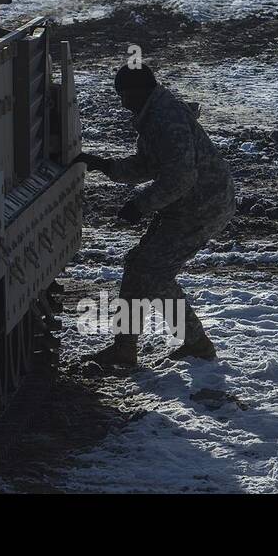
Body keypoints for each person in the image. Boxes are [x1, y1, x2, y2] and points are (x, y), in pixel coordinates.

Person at [74, 63, 236, 366]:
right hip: (189, 206)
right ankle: (129, 347)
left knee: (153, 272)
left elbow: (181, 176)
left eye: (123, 95)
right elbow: (148, 165)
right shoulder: (154, 115)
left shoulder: (164, 119)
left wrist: (141, 205)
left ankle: (195, 344)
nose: (123, 104)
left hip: (202, 207)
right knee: (141, 267)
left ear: (139, 90)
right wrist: (104, 165)